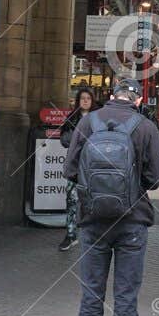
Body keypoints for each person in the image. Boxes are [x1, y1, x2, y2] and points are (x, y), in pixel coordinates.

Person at [63, 77, 159, 316]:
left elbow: (70, 169)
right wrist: (132, 189)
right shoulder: (145, 127)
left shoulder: (88, 124)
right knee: (125, 295)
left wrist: (95, 193)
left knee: (92, 293)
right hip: (132, 223)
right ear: (137, 99)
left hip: (92, 222)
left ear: (111, 96)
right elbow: (158, 177)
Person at [56, 88, 100, 252]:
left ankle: (93, 234)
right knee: (72, 199)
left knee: (94, 198)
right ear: (78, 100)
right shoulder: (71, 118)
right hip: (75, 164)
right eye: (82, 98)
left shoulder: (98, 118)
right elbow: (64, 140)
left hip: (93, 164)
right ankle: (70, 234)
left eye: (88, 98)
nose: (85, 101)